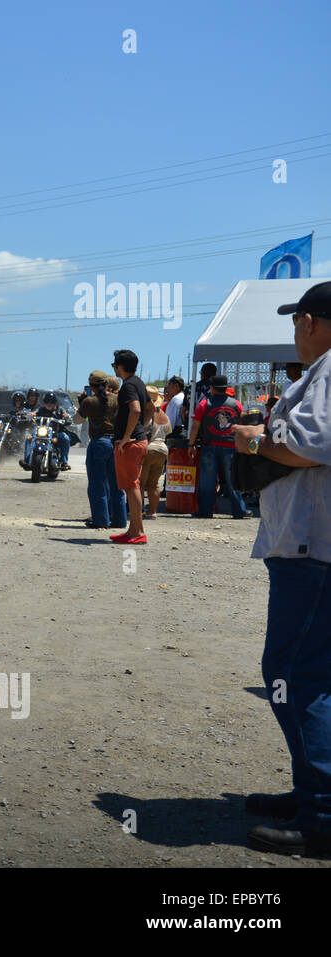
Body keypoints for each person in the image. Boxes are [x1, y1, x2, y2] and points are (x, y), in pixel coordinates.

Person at [234, 280, 331, 855]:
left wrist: (252, 442)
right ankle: (310, 793)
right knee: (302, 673)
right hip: (308, 544)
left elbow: (306, 446)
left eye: (298, 322)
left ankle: (320, 814)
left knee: (297, 675)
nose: (295, 332)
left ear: (314, 322)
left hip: (312, 548)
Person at [188, 373, 248, 520]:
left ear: (212, 388)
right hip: (231, 447)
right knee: (233, 479)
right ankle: (239, 510)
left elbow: (195, 426)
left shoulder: (204, 403)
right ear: (226, 388)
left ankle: (205, 511)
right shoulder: (236, 404)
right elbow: (242, 425)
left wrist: (191, 444)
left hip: (210, 446)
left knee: (207, 481)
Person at [73, 372, 126, 530]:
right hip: (115, 443)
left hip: (99, 443)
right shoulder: (118, 399)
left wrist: (82, 403)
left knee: (97, 485)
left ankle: (101, 520)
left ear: (92, 386)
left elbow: (77, 420)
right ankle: (120, 520)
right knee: (116, 485)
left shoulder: (90, 401)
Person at [110, 349, 152, 544]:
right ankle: (133, 530)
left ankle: (137, 533)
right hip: (139, 440)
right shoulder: (139, 383)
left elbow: (135, 409)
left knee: (131, 486)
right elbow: (151, 408)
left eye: (114, 366)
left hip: (130, 444)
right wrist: (140, 429)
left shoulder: (128, 386)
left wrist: (128, 436)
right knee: (132, 485)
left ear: (119, 366)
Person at [140, 385, 171, 519]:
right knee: (154, 484)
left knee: (140, 484)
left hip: (149, 448)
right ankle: (152, 512)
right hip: (162, 449)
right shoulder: (164, 415)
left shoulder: (145, 413)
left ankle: (138, 510)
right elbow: (168, 431)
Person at [35, 391, 73, 470]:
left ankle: (63, 462)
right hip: (42, 433)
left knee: (65, 438)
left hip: (56, 434)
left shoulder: (60, 410)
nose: (49, 403)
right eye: (47, 401)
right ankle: (27, 458)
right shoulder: (41, 410)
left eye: (52, 402)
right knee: (29, 437)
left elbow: (67, 417)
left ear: (55, 402)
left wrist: (66, 418)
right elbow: (34, 413)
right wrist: (29, 415)